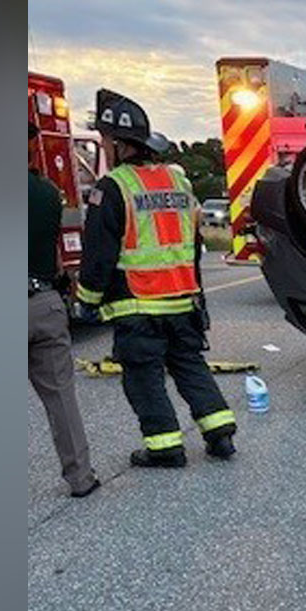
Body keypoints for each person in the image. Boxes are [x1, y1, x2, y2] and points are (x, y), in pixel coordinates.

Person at [75, 90, 237, 468]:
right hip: (182, 298)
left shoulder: (113, 187)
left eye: (105, 140)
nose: (104, 146)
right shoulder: (179, 183)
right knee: (189, 365)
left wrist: (87, 300)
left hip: (138, 304)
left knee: (143, 377)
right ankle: (220, 433)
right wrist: (198, 296)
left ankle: (165, 448)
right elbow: (192, 243)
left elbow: (99, 253)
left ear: (118, 144)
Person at [29, 121, 100, 497]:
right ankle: (81, 477)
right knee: (61, 397)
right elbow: (57, 258)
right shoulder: (48, 193)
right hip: (45, 303)